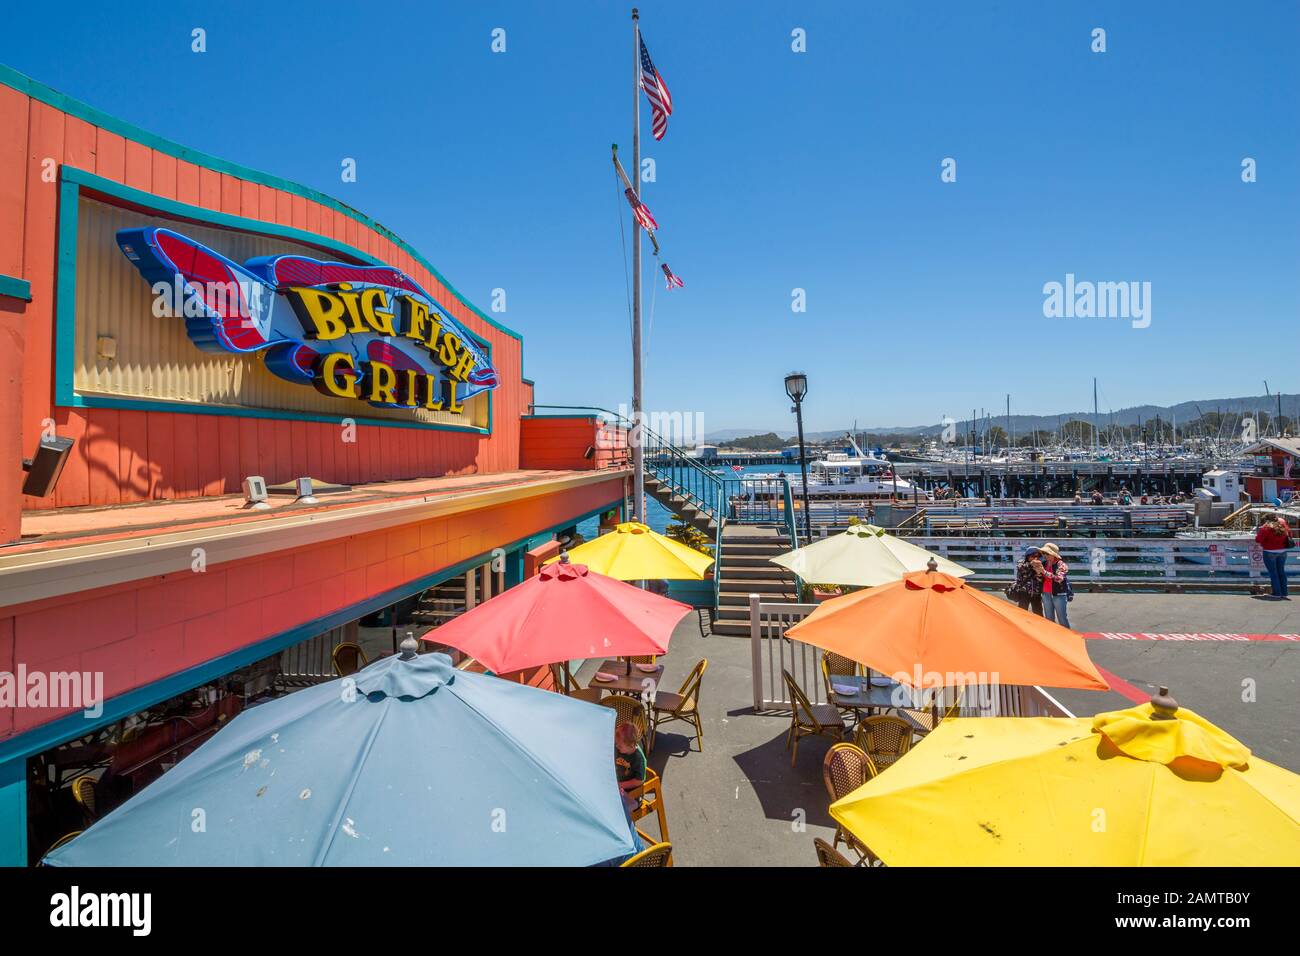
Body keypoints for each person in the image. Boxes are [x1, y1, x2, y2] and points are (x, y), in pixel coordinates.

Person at [1255, 513, 1293, 599]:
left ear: (1266, 520)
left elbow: (1258, 540)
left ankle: (1276, 593)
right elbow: (1290, 535)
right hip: (1283, 552)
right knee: (1281, 572)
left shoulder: (1266, 527)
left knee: (1273, 573)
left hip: (1269, 551)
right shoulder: (1283, 523)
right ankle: (1284, 593)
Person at [614, 721, 647, 812]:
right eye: (616, 743)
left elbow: (639, 781)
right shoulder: (620, 748)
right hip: (618, 787)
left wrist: (620, 785)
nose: (616, 746)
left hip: (633, 794)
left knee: (617, 811)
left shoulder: (638, 758)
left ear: (632, 745)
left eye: (619, 745)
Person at [1039, 542, 1073, 628]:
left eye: (1047, 553)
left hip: (1058, 594)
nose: (1044, 555)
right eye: (1043, 553)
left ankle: (1068, 639)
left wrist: (1044, 572)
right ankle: (1052, 640)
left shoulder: (1061, 565)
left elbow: (1059, 579)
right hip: (1046, 593)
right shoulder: (1043, 564)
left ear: (1053, 554)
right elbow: (1040, 578)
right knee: (1049, 620)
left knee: (1062, 620)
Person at [1008, 547, 1044, 615]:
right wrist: (1031, 565)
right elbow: (1021, 568)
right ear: (1027, 556)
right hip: (1024, 592)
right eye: (1033, 556)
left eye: (1038, 556)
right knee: (1022, 613)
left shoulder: (1040, 564)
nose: (1035, 558)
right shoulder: (1021, 563)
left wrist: (1040, 573)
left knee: (1039, 614)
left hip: (1036, 593)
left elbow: (1042, 578)